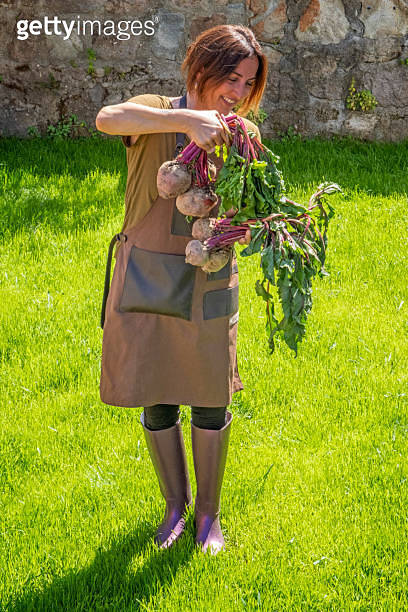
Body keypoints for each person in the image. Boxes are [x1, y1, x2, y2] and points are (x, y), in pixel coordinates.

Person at [95, 24, 268, 555]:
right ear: (202, 64)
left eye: (249, 82)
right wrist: (184, 120)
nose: (238, 92)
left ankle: (208, 518)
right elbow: (107, 118)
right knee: (156, 392)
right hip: (147, 274)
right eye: (231, 77)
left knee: (210, 397)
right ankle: (175, 507)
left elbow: (255, 204)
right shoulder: (155, 111)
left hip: (209, 275)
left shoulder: (242, 133)